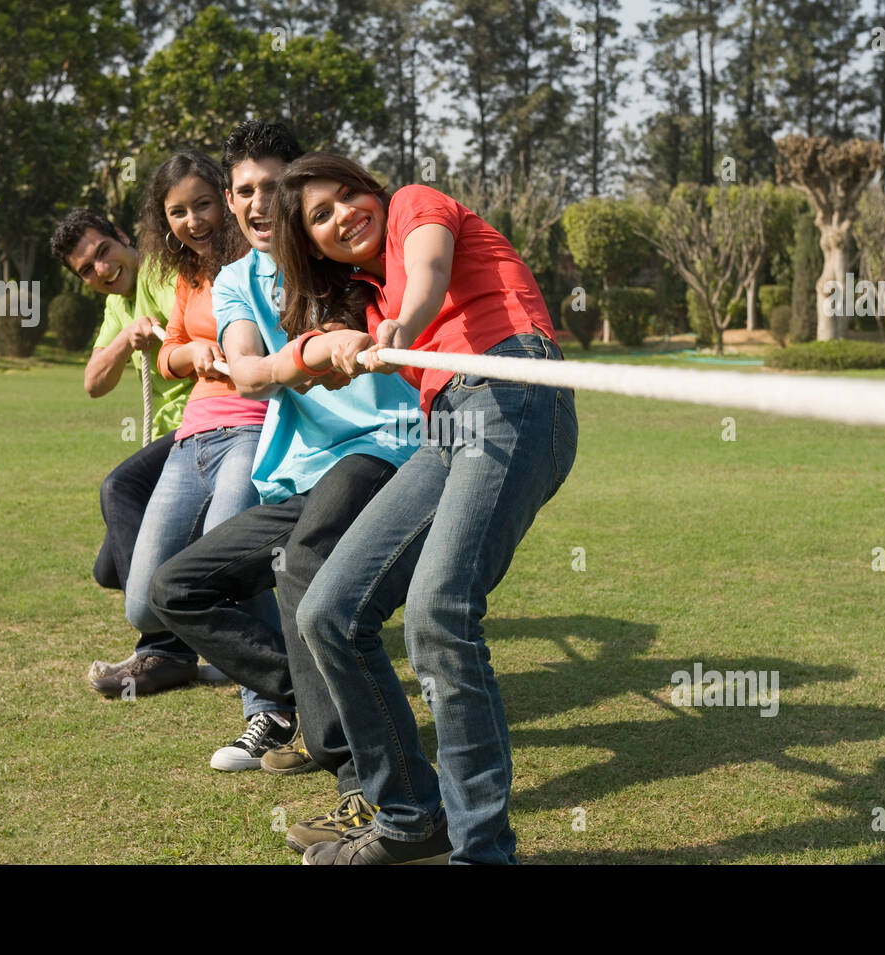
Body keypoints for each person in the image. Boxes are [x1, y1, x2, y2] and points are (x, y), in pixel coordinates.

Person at [271, 153, 579, 864]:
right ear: (312, 246)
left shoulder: (413, 204)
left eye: (348, 193)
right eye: (321, 215)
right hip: (449, 424)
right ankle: (412, 818)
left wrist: (401, 328)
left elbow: (432, 270)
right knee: (329, 611)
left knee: (438, 613)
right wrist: (328, 340)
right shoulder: (365, 298)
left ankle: (482, 852)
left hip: (513, 392)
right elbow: (268, 374)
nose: (344, 212)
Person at [145, 122, 420, 848]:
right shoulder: (235, 280)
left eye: (273, 187)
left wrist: (350, 336)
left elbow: (381, 306)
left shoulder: (337, 260)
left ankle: (361, 783)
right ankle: (319, 690)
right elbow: (244, 360)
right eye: (244, 191)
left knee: (305, 565)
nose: (258, 203)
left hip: (380, 451)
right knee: (176, 589)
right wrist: (286, 356)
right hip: (297, 474)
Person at [124, 150, 297, 766]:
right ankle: (249, 659)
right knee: (143, 601)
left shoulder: (264, 262)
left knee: (232, 568)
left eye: (202, 204)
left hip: (253, 429)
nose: (194, 221)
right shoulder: (191, 275)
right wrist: (194, 351)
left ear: (223, 201)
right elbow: (168, 352)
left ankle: (271, 711)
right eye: (178, 211)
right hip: (193, 435)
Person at [50, 209, 203, 697]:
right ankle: (190, 621)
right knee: (111, 569)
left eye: (103, 252)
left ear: (121, 237)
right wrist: (125, 337)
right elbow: (94, 382)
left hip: (203, 425)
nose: (101, 269)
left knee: (120, 487)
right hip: (169, 439)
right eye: (86, 270)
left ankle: (165, 648)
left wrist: (157, 332)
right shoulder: (116, 307)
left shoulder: (160, 270)